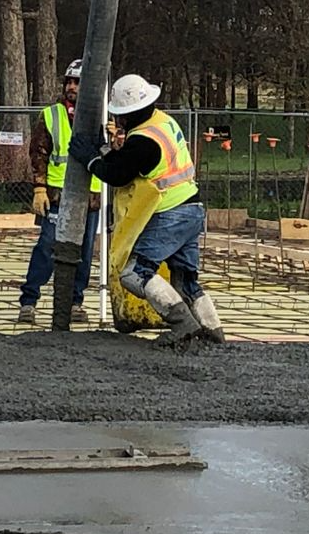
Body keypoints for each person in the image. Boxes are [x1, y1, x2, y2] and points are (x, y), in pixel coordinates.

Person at [68, 73, 224, 346]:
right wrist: (105, 149)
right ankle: (212, 331)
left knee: (134, 273)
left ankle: (182, 323)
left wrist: (91, 159)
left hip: (170, 213)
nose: (117, 122)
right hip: (192, 207)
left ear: (126, 116)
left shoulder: (143, 141)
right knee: (186, 277)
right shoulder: (161, 122)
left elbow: (118, 175)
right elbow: (128, 159)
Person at [18, 59, 101, 325]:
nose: (72, 87)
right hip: (57, 196)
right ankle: (29, 301)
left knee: (84, 253)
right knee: (47, 248)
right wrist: (39, 188)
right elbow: (39, 154)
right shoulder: (51, 115)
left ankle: (75, 301)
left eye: (77, 82)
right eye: (69, 82)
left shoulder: (102, 117)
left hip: (90, 197)